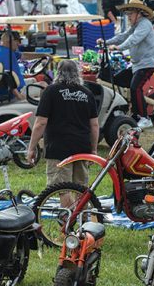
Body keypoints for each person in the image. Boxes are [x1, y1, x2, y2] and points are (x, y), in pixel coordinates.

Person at [26, 59, 99, 189]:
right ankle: (80, 210)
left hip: (58, 148)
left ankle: (69, 210)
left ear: (58, 73)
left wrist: (31, 148)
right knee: (81, 188)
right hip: (82, 147)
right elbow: (94, 125)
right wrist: (93, 149)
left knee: (61, 188)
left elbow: (40, 123)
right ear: (78, 73)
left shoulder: (50, 91)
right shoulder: (87, 94)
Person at [104, 0, 154, 129]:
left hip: (147, 63)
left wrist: (119, 48)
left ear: (138, 13)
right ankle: (135, 115)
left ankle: (145, 118)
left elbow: (133, 39)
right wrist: (106, 42)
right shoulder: (136, 25)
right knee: (121, 81)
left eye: (130, 14)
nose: (128, 17)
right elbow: (123, 36)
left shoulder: (144, 24)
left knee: (135, 87)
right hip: (138, 64)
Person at [0, 29, 25, 100]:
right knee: (43, 85)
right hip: (16, 91)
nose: (19, 43)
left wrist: (44, 55)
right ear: (9, 41)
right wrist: (19, 96)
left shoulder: (0, 50)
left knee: (33, 80)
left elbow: (23, 56)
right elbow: (8, 77)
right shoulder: (6, 54)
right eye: (17, 41)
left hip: (15, 86)